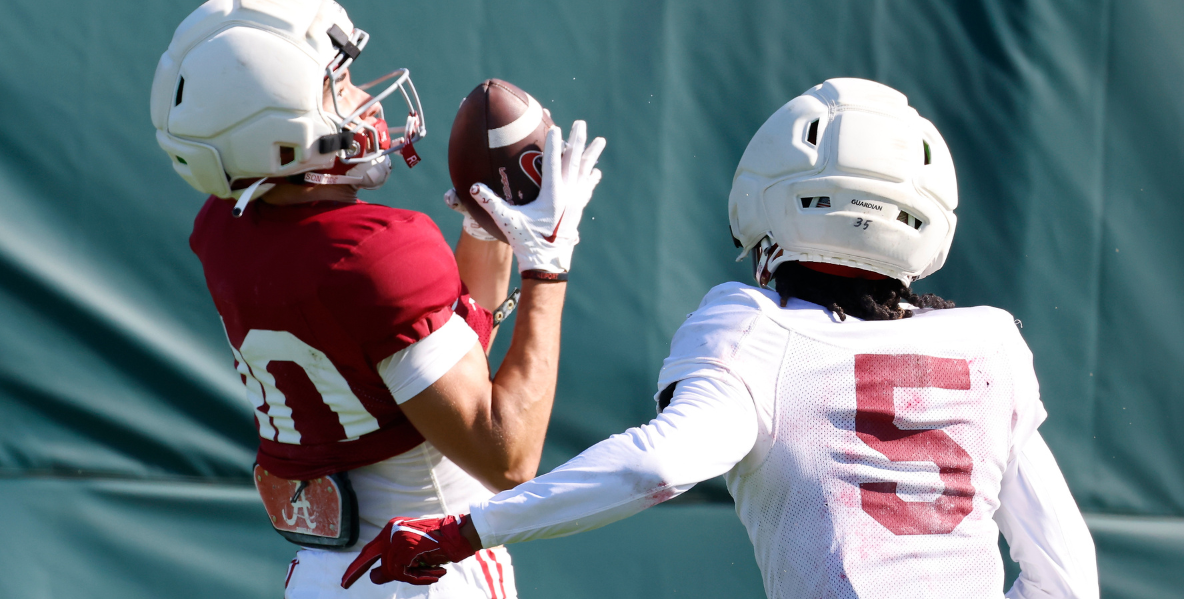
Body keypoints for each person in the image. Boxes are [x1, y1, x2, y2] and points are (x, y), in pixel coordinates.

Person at [341, 78, 1100, 599]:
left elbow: (656, 467)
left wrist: (465, 530)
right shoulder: (990, 345)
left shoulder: (754, 331)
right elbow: (1066, 576)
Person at [150, 0, 604, 598]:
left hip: (323, 577)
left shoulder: (225, 231)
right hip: (422, 571)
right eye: (336, 87)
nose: (362, 100)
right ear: (279, 135)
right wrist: (546, 265)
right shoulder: (376, 250)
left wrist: (486, 226)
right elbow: (507, 457)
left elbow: (435, 353)